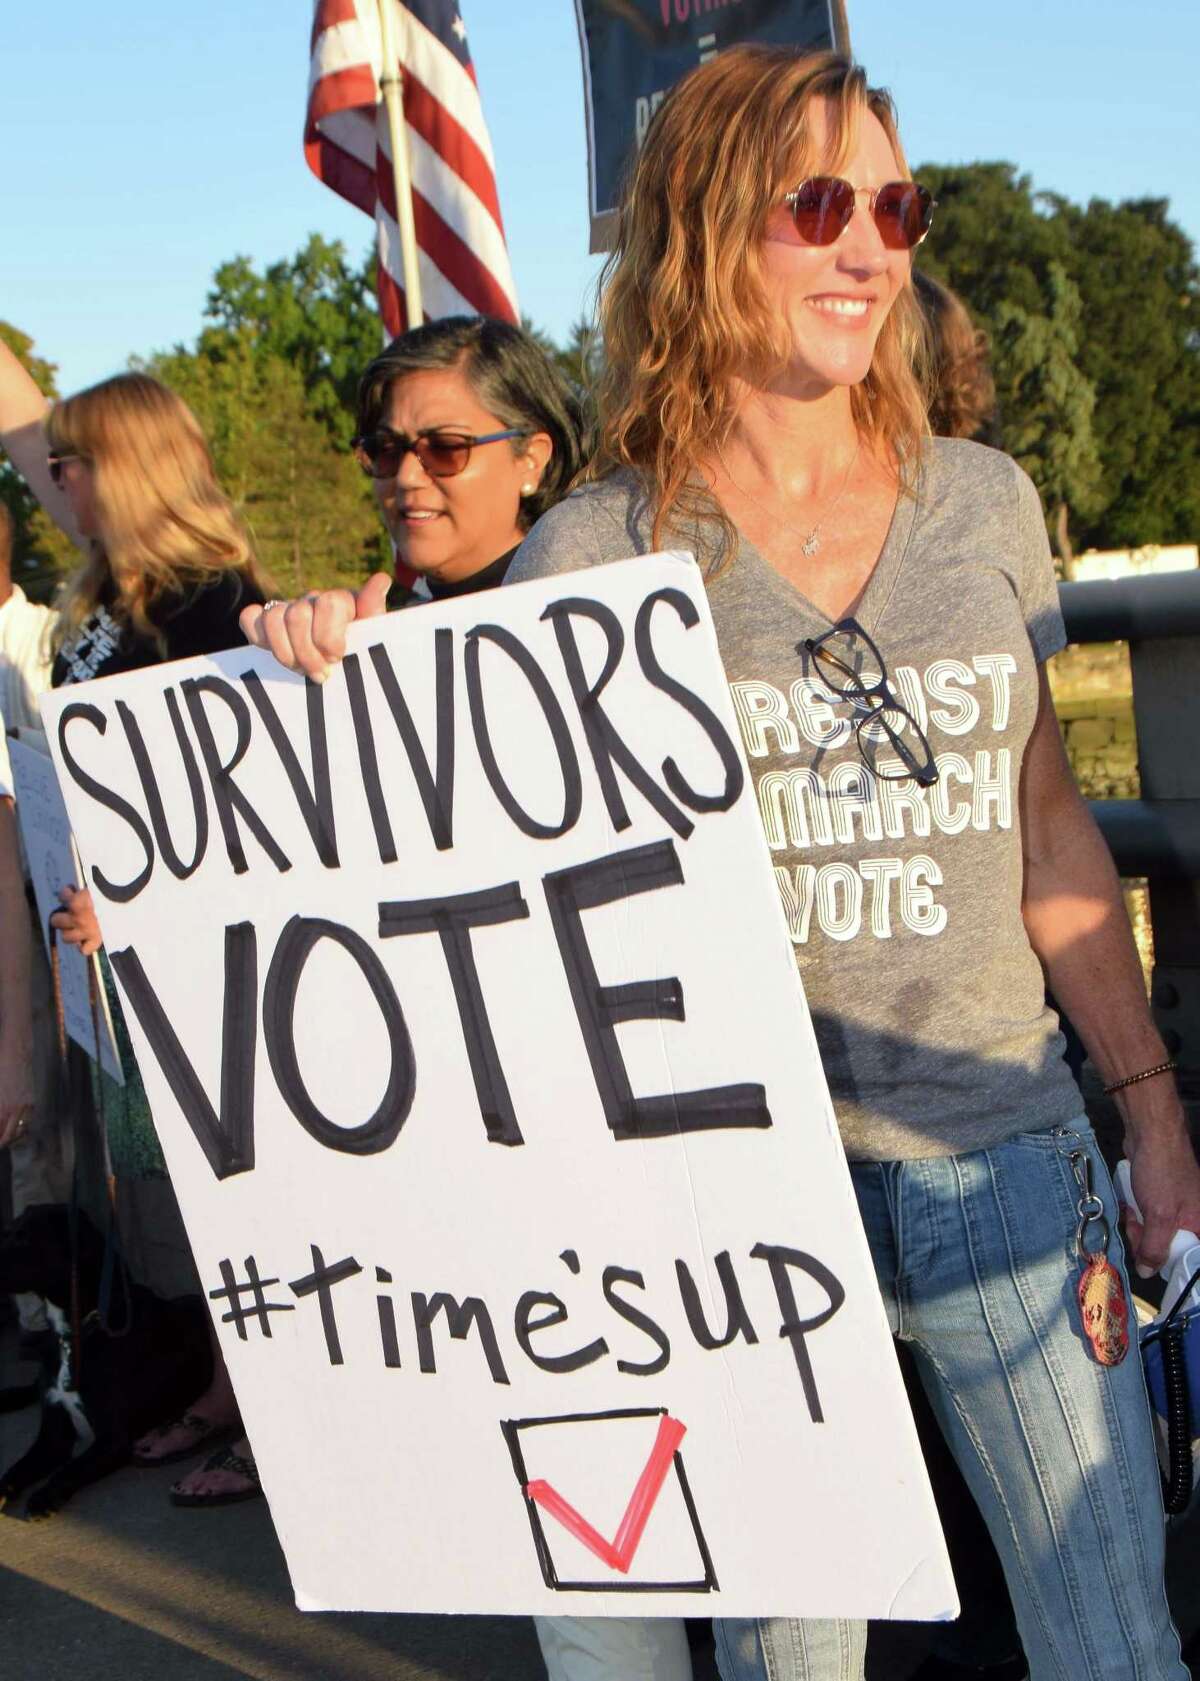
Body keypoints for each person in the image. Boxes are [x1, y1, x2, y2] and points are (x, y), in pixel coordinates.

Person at [242, 48, 1196, 1681]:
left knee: (1115, 1650)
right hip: (736, 1215)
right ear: (699, 230)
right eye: (818, 205)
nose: (868, 247)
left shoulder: (985, 503)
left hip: (1009, 1168)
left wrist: (1155, 1118)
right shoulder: (592, 551)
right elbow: (469, 887)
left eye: (894, 207)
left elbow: (1049, 835)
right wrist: (304, 690)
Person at [0, 342, 273, 1505]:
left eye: (74, 462)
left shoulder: (219, 601)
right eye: (54, 462)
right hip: (110, 962)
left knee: (242, 1187)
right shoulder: (96, 603)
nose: (56, 481)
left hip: (209, 964)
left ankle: (263, 1404)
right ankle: (216, 1377)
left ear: (135, 464)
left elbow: (251, 798)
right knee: (176, 1197)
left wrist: (148, 896)